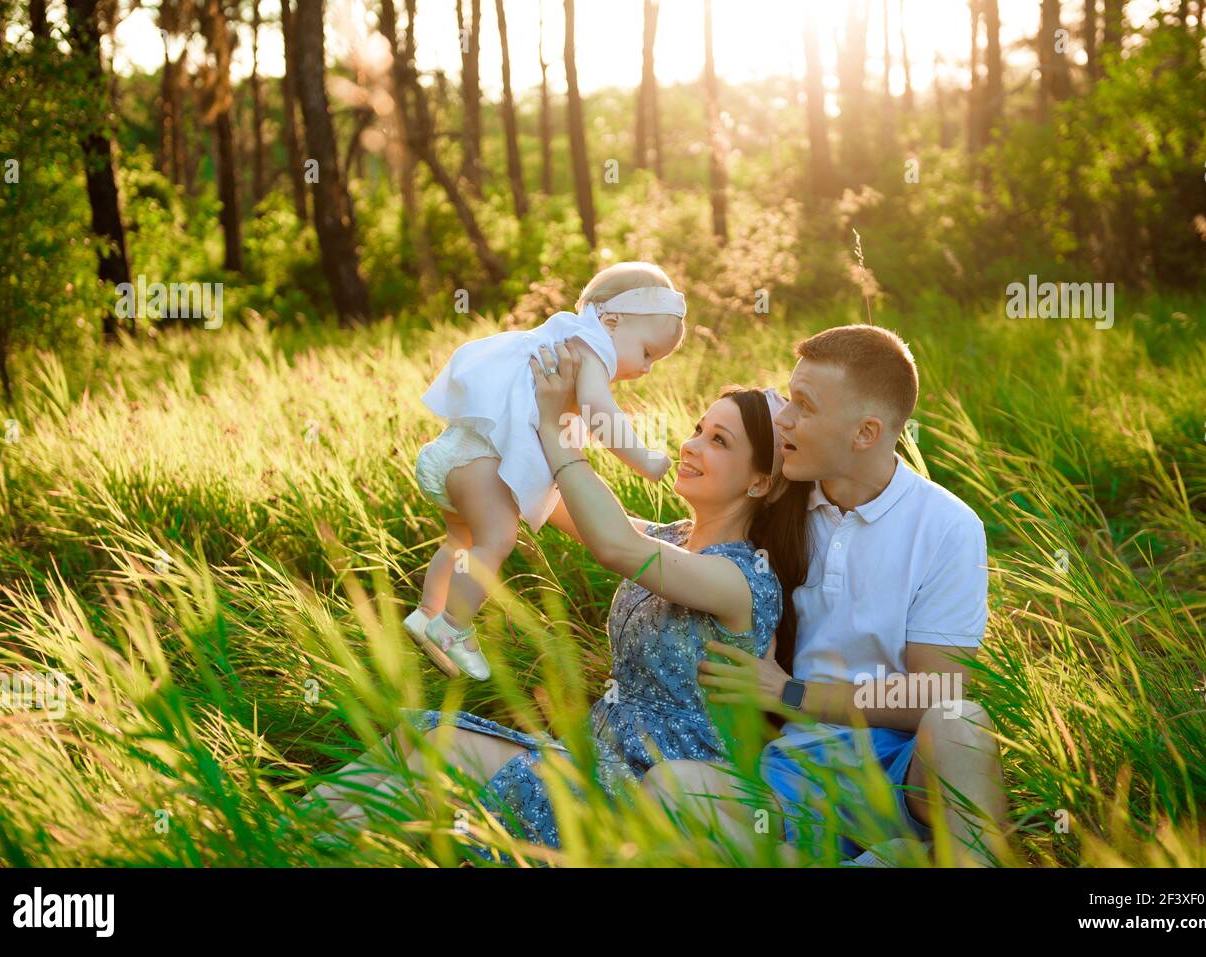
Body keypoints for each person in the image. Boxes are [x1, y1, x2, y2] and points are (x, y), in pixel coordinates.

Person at [297, 340, 811, 852]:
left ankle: (295, 849)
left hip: (650, 784)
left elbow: (616, 545)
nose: (692, 445)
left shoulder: (743, 579)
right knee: (421, 736)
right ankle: (275, 839)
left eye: (719, 441)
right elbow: (548, 502)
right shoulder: (674, 536)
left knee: (435, 758)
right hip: (595, 753)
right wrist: (514, 425)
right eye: (698, 429)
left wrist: (553, 432)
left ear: (761, 481)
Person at [648, 324, 1010, 866]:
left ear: (865, 433)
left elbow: (939, 691)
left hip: (903, 779)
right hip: (789, 784)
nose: (784, 420)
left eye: (804, 406)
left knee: (962, 725)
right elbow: (673, 543)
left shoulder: (946, 526)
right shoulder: (778, 497)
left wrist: (793, 694)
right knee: (670, 788)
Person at [404, 262, 686, 681]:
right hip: (483, 460)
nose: (646, 369)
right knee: (495, 539)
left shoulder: (562, 338)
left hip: (461, 451)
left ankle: (428, 611)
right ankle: (452, 628)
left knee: (461, 540)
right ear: (611, 321)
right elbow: (598, 410)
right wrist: (642, 457)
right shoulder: (590, 347)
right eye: (647, 352)